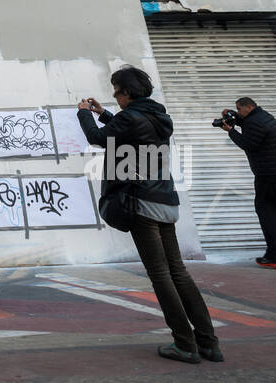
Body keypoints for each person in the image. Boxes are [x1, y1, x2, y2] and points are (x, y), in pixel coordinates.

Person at [78, 65, 222, 364]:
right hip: (165, 201)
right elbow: (128, 128)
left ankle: (184, 344)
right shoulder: (158, 116)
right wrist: (103, 112)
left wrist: (83, 113)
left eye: (116, 92)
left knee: (160, 274)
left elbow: (99, 138)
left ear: (127, 92)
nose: (116, 97)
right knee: (178, 272)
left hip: (140, 203)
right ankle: (208, 343)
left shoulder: (131, 117)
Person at [221, 97, 276, 268]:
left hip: (267, 175)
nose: (238, 112)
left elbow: (248, 143)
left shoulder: (255, 122)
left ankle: (273, 256)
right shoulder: (262, 116)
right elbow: (251, 127)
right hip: (271, 172)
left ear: (249, 107)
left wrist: (230, 130)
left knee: (265, 211)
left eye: (239, 109)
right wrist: (234, 117)